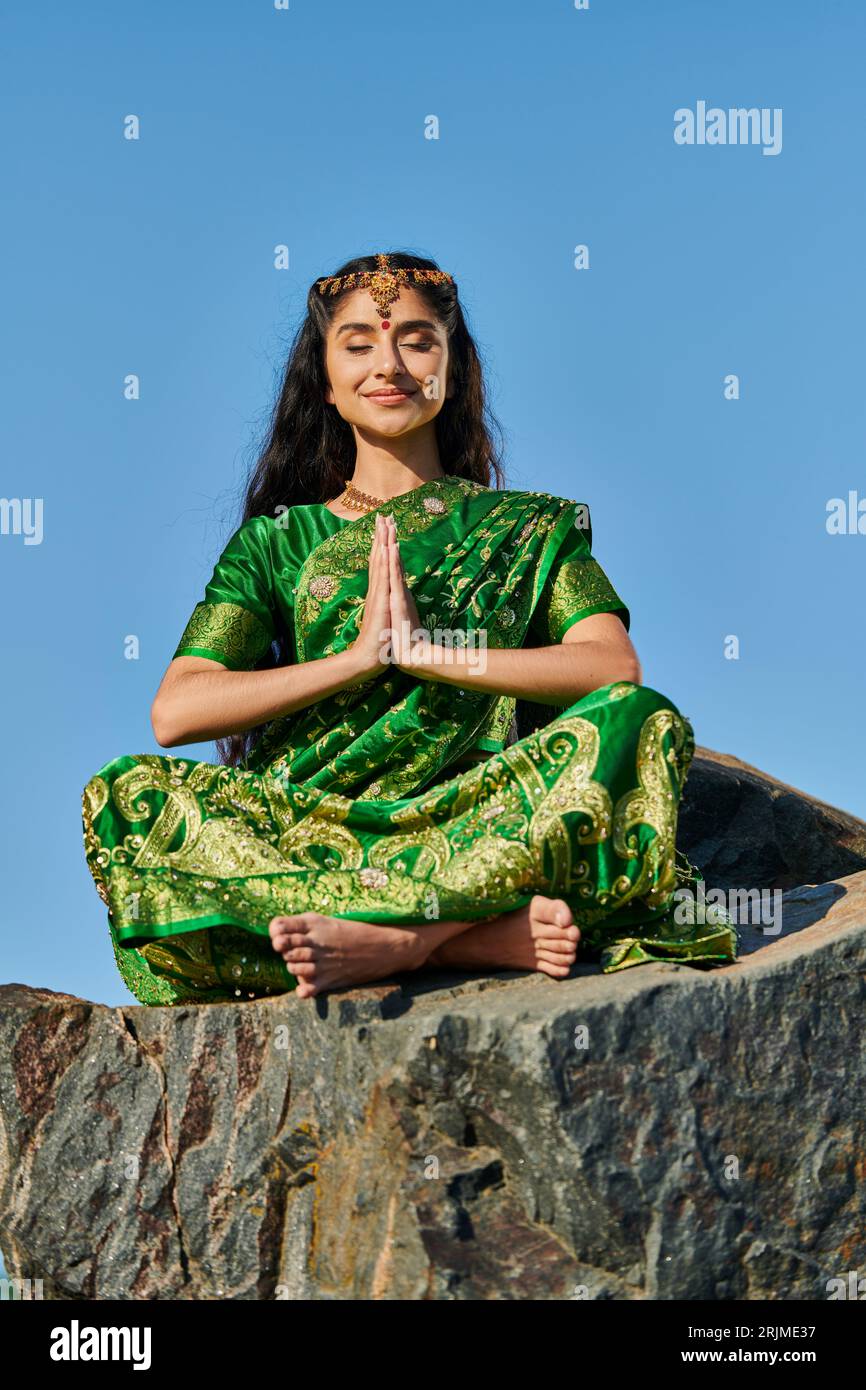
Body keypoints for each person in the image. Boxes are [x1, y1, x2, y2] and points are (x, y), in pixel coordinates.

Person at [81, 251, 738, 1004]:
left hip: (477, 820)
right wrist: (360, 659)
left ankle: (400, 943)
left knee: (642, 723)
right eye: (358, 344)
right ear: (324, 382)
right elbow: (177, 711)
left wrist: (431, 655)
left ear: (451, 370)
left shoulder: (531, 526)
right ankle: (468, 939)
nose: (387, 364)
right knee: (124, 795)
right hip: (308, 834)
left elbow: (610, 669)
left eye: (417, 340)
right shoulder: (275, 542)